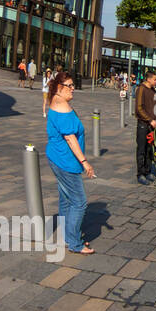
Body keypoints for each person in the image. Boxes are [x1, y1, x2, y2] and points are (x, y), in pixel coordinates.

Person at [46, 70, 96, 255]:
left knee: (66, 199)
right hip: (65, 161)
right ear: (60, 87)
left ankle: (69, 237)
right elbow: (70, 139)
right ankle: (74, 243)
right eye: (70, 86)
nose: (73, 89)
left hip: (57, 158)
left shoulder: (57, 101)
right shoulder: (62, 107)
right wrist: (85, 162)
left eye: (73, 85)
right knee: (79, 202)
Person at [134, 72, 156, 185]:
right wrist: (150, 120)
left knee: (150, 149)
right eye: (155, 79)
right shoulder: (141, 89)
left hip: (151, 126)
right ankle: (140, 174)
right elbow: (139, 108)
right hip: (143, 125)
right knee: (141, 149)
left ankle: (148, 171)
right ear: (149, 79)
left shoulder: (153, 91)